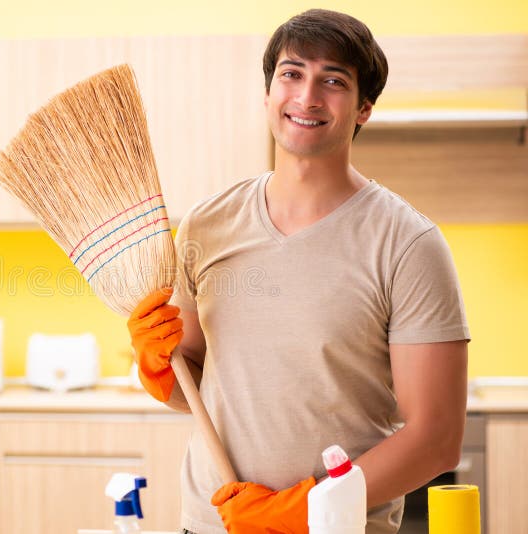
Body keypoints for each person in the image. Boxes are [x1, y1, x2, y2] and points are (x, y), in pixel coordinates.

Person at [127, 8, 470, 534]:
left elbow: (437, 437)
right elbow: (192, 386)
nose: (307, 97)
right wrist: (156, 367)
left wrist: (303, 511)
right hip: (212, 523)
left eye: (333, 81)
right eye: (292, 73)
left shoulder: (408, 244)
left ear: (363, 109)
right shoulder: (204, 225)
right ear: (268, 94)